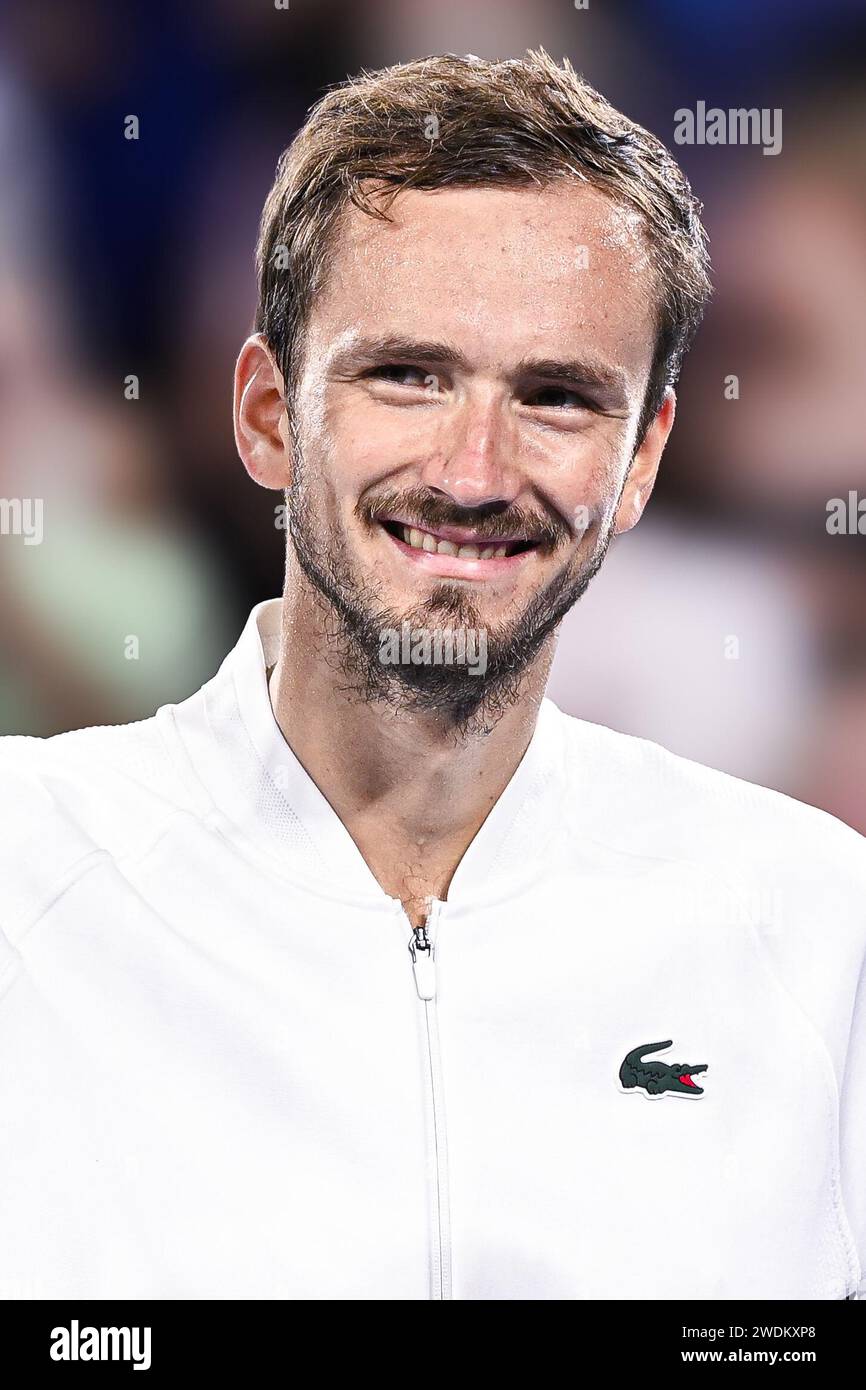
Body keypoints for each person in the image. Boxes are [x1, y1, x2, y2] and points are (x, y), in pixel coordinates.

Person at [1, 49, 863, 1302]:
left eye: (558, 396)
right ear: (266, 414)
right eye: (406, 374)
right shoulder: (22, 869)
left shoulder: (817, 928)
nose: (472, 471)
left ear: (639, 463)